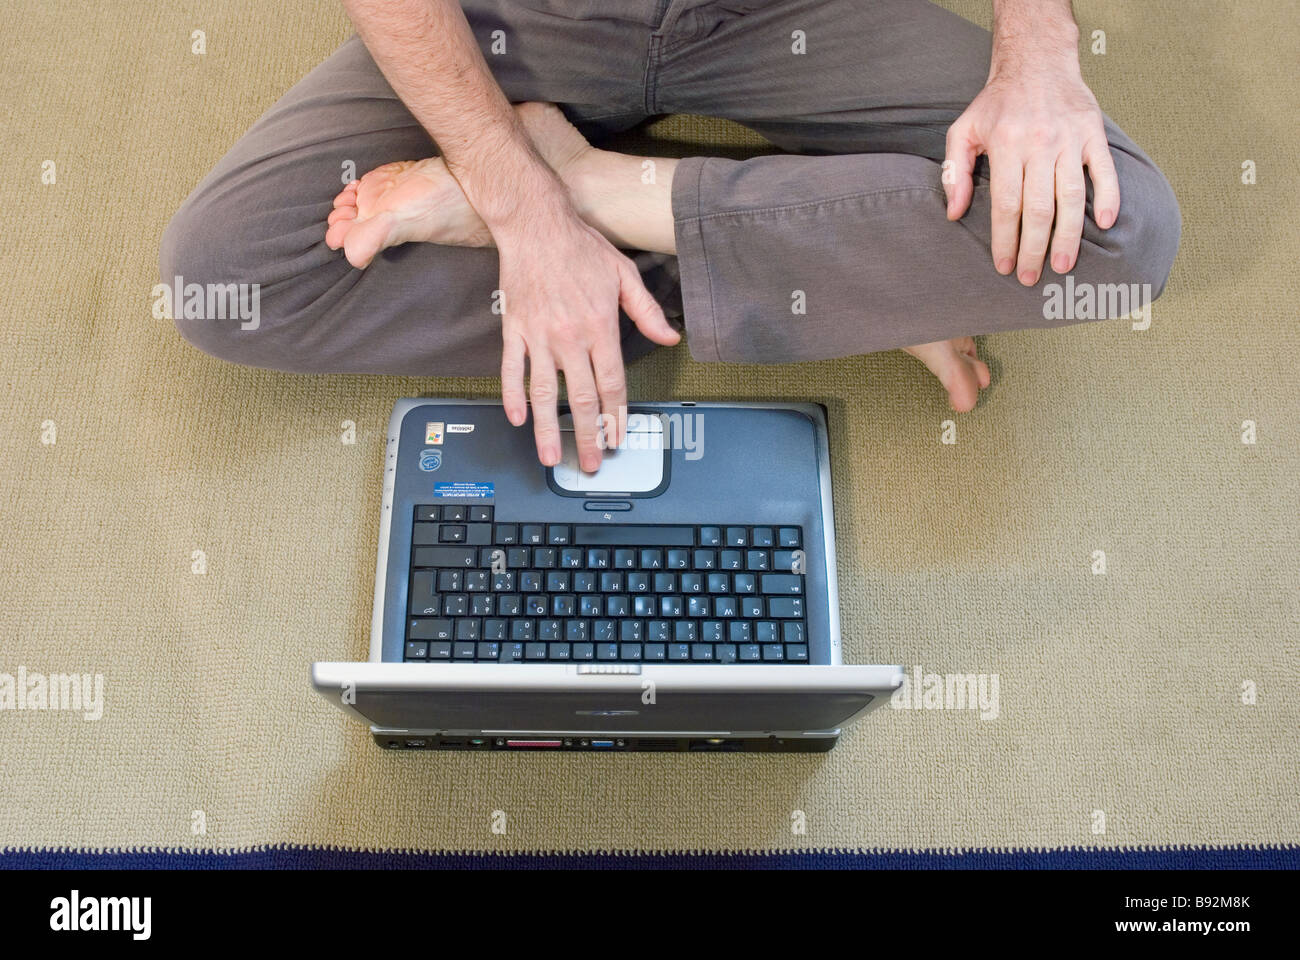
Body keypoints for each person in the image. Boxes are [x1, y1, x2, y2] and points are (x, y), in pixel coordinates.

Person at [161, 0, 1180, 471]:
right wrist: (518, 208)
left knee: (1116, 233)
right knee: (229, 276)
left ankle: (596, 185)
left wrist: (1040, 48)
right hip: (521, 17)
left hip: (792, 16)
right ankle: (834, 261)